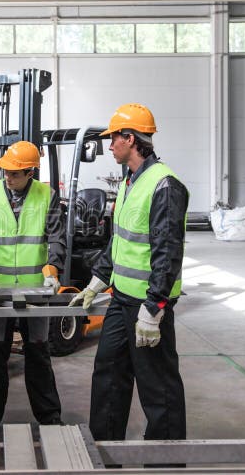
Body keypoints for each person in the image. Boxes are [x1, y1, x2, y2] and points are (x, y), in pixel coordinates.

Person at [70, 103, 189, 444]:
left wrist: (154, 308)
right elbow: (119, 241)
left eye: (113, 139)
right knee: (108, 374)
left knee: (158, 388)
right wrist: (97, 280)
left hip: (147, 307)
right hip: (121, 301)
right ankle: (106, 451)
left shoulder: (164, 185)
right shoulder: (128, 182)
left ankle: (165, 464)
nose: (109, 146)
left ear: (131, 138)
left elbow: (168, 253)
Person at [0, 140, 66, 436]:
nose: (8, 178)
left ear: (30, 172)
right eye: (6, 172)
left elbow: (57, 238)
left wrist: (52, 270)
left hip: (36, 291)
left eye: (15, 173)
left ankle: (49, 416)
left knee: (38, 353)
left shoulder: (47, 196)